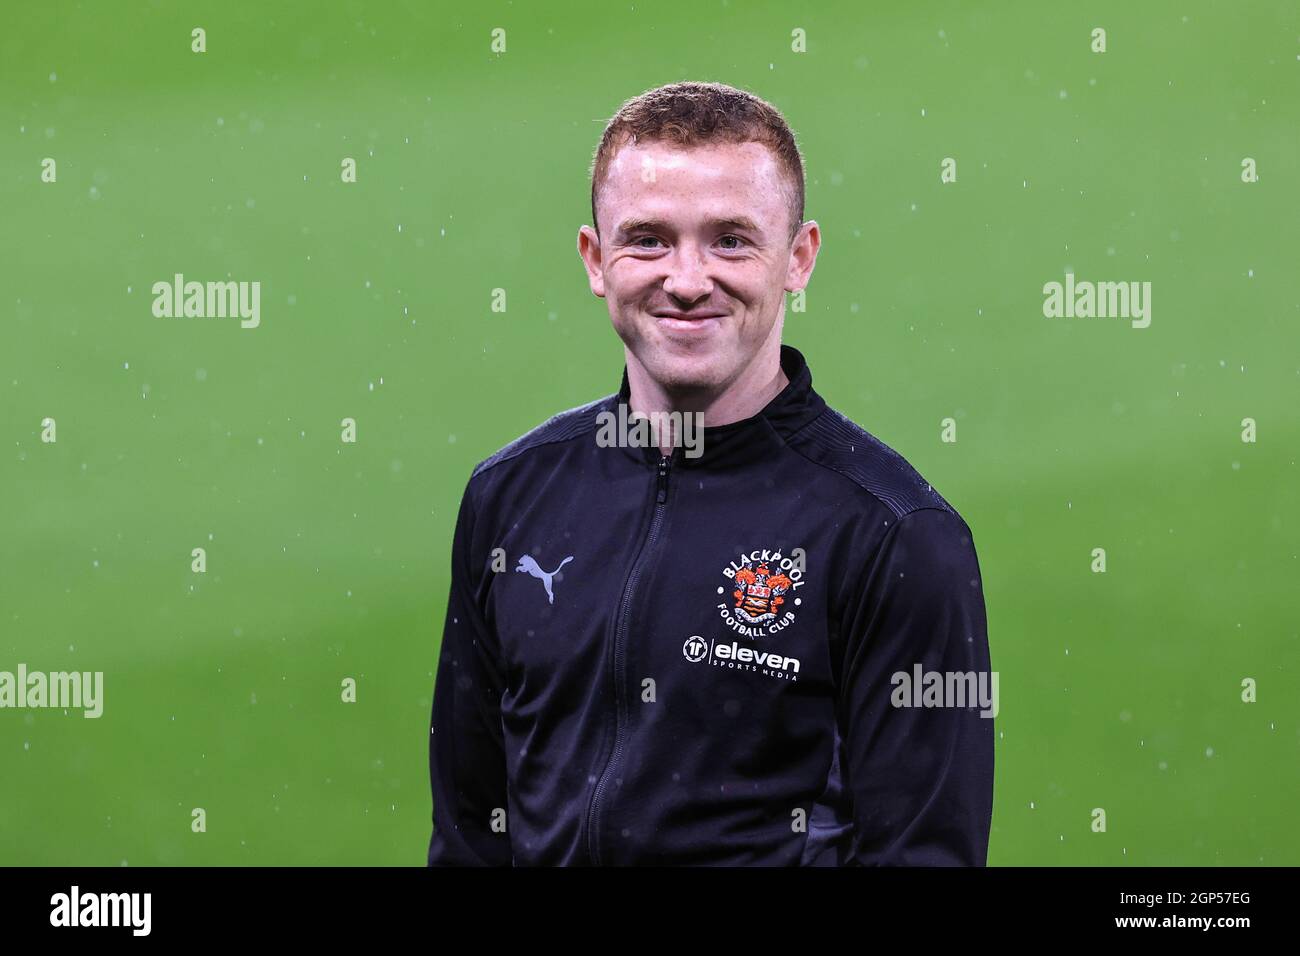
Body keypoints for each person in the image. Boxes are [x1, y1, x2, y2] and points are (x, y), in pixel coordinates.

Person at [427, 81, 994, 866]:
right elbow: (468, 833)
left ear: (799, 258)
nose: (688, 280)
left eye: (731, 240)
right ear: (596, 260)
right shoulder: (510, 497)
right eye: (649, 240)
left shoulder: (894, 536)